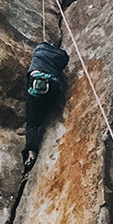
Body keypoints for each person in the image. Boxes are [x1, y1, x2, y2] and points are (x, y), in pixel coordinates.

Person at [23, 41, 69, 171]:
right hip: (52, 85)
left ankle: (31, 153)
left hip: (36, 85)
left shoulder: (38, 49)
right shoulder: (61, 55)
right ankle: (51, 105)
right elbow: (64, 61)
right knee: (50, 99)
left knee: (32, 123)